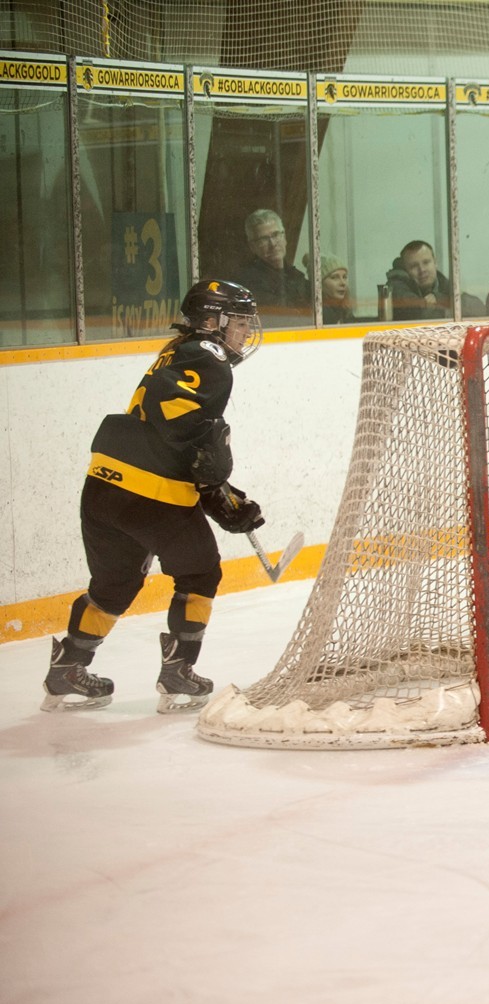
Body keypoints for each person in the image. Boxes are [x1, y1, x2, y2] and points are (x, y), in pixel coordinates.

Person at [42, 280, 268, 714]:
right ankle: (178, 674)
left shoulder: (176, 350)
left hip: (104, 486)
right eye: (239, 322)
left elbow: (172, 433)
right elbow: (184, 428)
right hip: (150, 494)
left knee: (115, 584)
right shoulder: (211, 357)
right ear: (212, 321)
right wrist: (216, 485)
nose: (245, 332)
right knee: (200, 572)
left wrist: (217, 491)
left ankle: (66, 670)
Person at [234, 209, 312, 325]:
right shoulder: (249, 282)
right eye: (264, 239)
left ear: (284, 237)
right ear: (252, 246)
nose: (273, 243)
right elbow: (286, 319)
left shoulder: (295, 276)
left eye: (276, 235)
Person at [387, 240, 459, 321]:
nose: (422, 270)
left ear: (435, 263)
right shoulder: (397, 287)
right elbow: (418, 313)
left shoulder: (443, 282)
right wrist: (448, 304)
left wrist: (438, 298)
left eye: (426, 262)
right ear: (405, 271)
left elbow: (470, 305)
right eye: (414, 266)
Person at [303, 253, 355, 324]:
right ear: (319, 283)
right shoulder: (319, 314)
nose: (343, 283)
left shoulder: (343, 309)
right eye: (334, 277)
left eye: (344, 277)